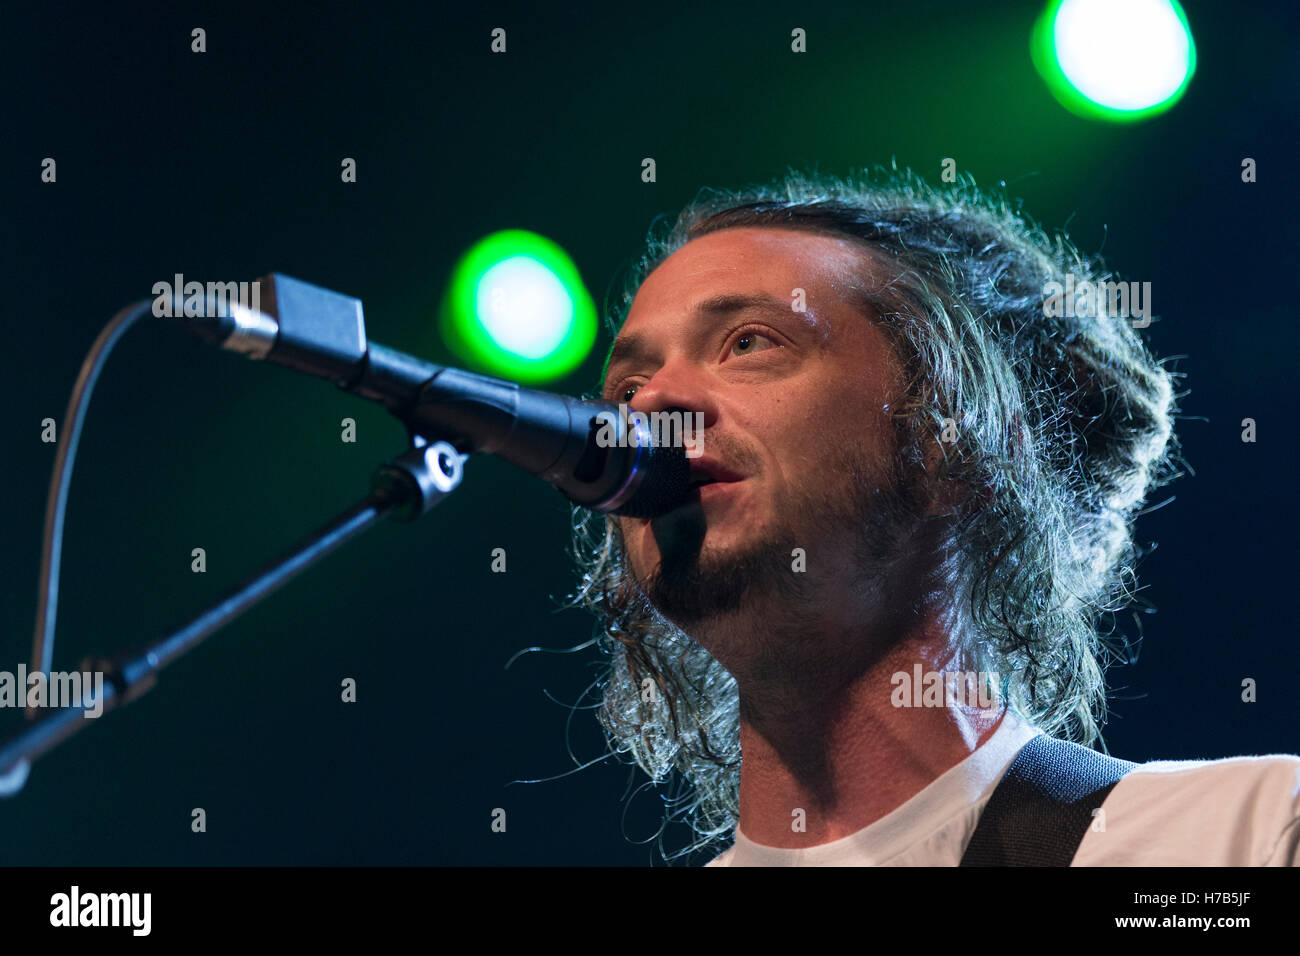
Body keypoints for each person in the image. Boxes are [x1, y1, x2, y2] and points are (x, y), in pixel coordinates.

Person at [569, 167, 1300, 866]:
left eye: (748, 342)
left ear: (952, 435)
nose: (651, 407)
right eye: (627, 386)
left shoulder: (1247, 835)